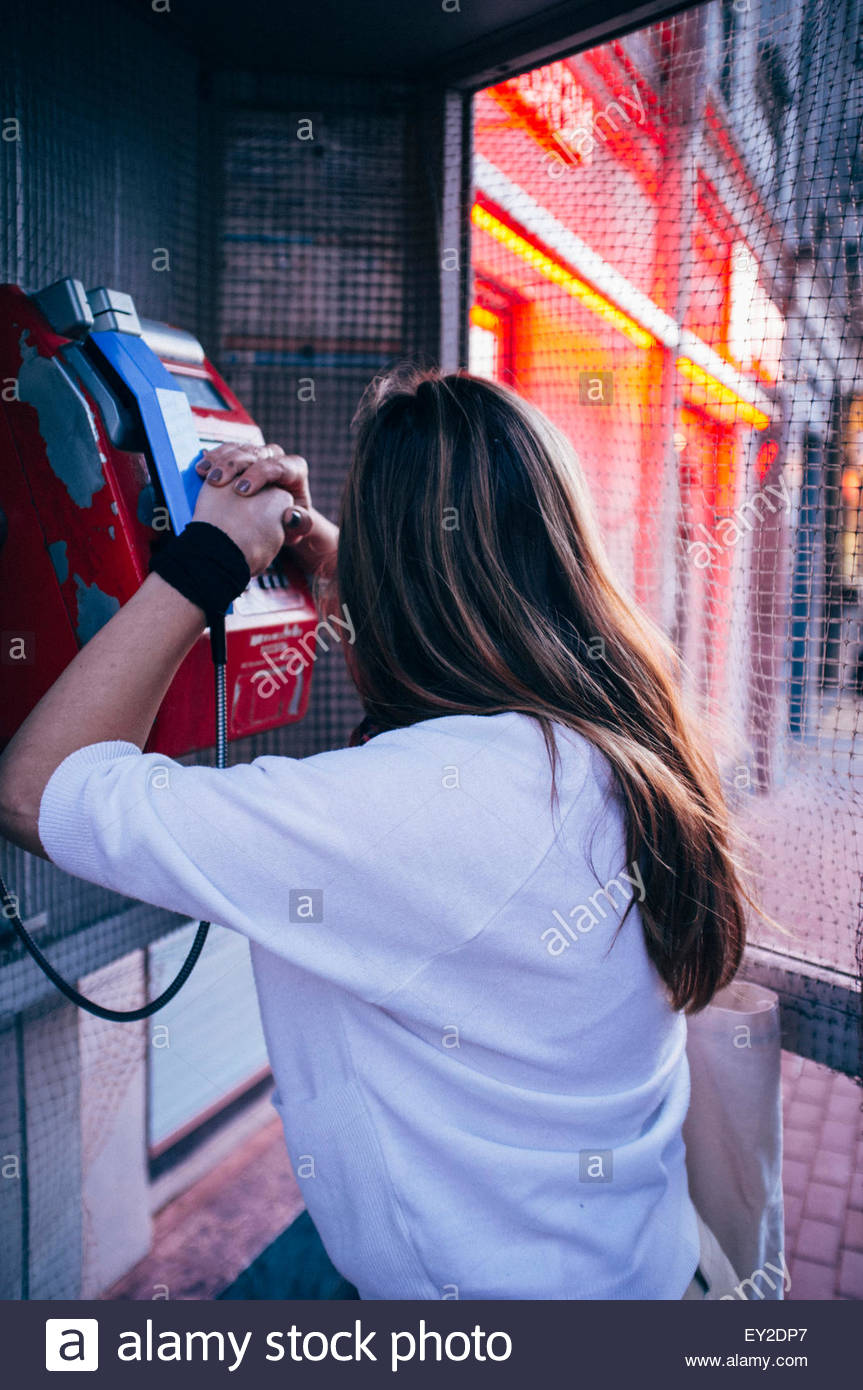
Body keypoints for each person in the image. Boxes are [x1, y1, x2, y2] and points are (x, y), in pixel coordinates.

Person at [0, 369, 745, 1300]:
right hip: (644, 1270)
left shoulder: (402, 810)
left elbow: (36, 789)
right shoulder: (618, 730)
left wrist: (203, 562)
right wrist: (306, 543)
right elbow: (439, 624)